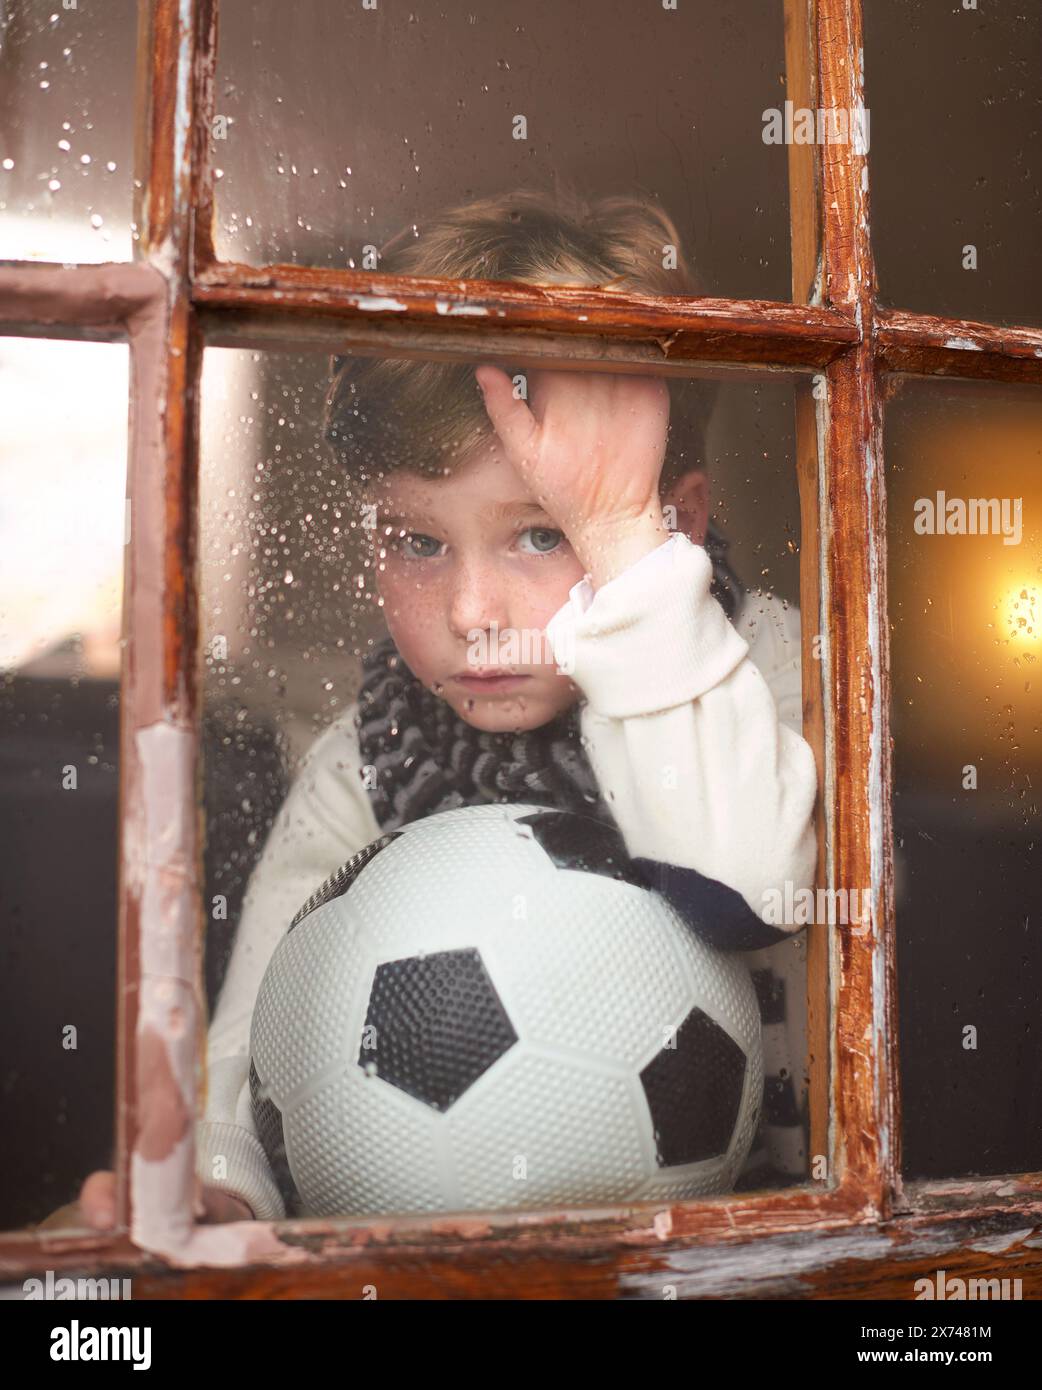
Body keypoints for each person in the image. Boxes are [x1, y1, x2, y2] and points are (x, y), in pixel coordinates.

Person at [70, 186, 817, 1228]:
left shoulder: (767, 670)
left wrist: (624, 548)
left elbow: (740, 891)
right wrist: (226, 1187)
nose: (471, 612)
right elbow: (257, 1053)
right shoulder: (368, 762)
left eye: (543, 533)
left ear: (676, 522)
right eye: (417, 542)